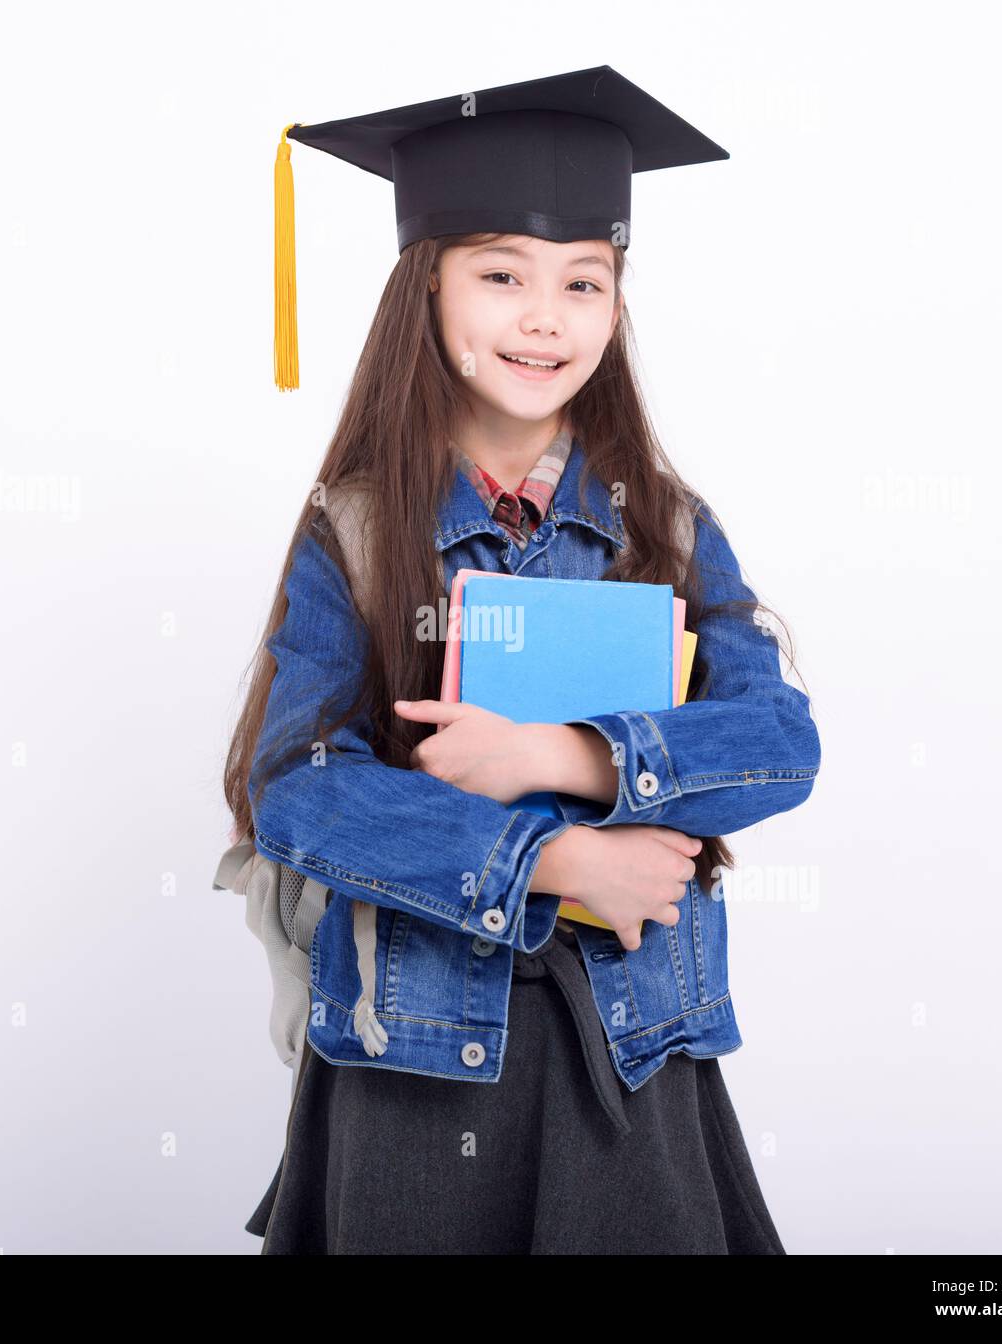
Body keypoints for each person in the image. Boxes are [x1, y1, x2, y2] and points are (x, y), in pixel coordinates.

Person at [222, 65, 821, 1254]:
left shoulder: (667, 523)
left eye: (583, 283)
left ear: (615, 303)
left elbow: (779, 743)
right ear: (427, 288)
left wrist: (567, 757)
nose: (545, 319)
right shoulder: (355, 527)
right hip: (418, 1047)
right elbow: (295, 791)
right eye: (501, 276)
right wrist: (549, 861)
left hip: (631, 1043)